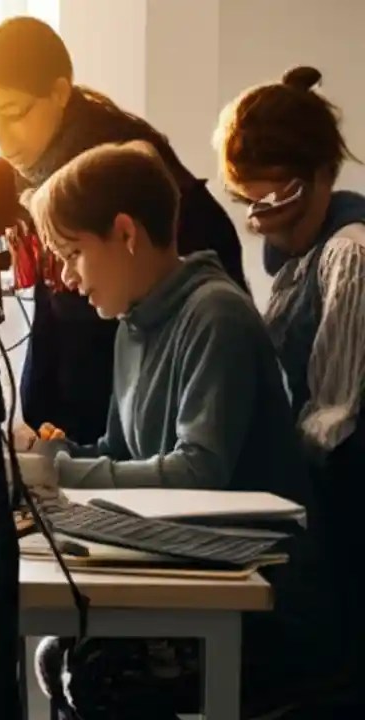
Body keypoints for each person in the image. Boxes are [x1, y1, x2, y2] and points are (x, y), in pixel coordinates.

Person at [26, 142, 337, 718]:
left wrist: (54, 472)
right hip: (190, 567)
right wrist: (50, 454)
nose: (66, 277)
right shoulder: (133, 325)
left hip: (261, 590)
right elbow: (123, 453)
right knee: (59, 656)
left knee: (98, 671)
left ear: (125, 233)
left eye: (72, 253)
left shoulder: (215, 314)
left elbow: (198, 470)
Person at [0, 15, 248, 446]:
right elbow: (56, 312)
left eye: (12, 113)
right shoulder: (33, 172)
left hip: (157, 435)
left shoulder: (118, 174)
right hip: (97, 427)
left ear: (60, 92)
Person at [215, 65, 365, 699]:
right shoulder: (303, 254)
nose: (268, 222)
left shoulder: (349, 253)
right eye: (251, 204)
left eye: (279, 200)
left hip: (348, 496)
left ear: (322, 173)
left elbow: (333, 417)